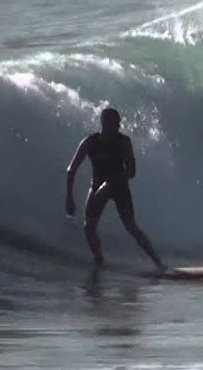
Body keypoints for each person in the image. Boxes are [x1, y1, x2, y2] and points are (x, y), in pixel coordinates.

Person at [64, 107, 168, 272]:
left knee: (131, 227)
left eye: (119, 123)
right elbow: (71, 169)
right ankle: (99, 261)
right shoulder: (90, 142)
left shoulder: (123, 142)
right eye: (116, 123)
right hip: (97, 185)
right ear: (105, 123)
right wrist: (69, 197)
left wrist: (109, 185)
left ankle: (158, 262)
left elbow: (132, 172)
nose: (119, 127)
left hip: (119, 187)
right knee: (88, 227)